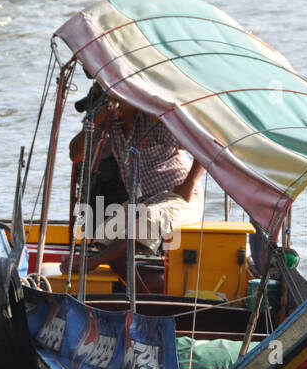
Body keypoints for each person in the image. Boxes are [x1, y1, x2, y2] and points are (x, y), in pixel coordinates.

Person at [62, 93, 204, 278]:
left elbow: (204, 145)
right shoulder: (109, 126)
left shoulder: (154, 122)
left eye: (121, 96)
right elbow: (75, 154)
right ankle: (144, 294)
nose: (115, 102)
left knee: (148, 217)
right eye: (111, 97)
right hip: (143, 201)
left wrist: (189, 183)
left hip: (180, 198)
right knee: (106, 235)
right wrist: (98, 119)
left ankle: (91, 263)